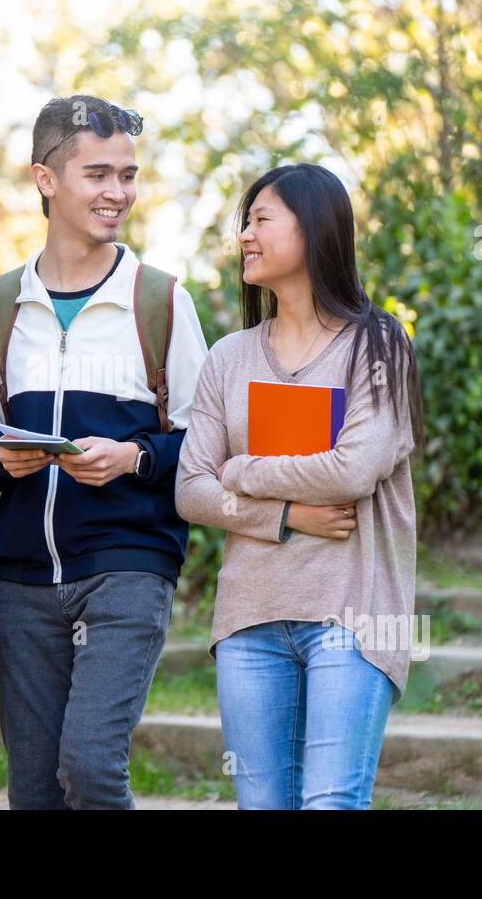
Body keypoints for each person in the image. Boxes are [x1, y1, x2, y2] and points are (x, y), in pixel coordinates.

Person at [0, 94, 209, 808]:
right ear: (46, 179)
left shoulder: (160, 300)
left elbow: (201, 442)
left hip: (131, 562)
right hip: (21, 575)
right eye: (98, 174)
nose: (119, 192)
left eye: (128, 175)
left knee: (94, 767)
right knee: (33, 790)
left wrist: (133, 459)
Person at [175, 162, 424, 809]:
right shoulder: (229, 358)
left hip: (351, 614)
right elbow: (191, 489)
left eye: (262, 219)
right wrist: (287, 514)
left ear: (313, 230)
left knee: (330, 803)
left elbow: (354, 468)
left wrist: (244, 470)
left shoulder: (377, 344)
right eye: (244, 223)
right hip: (249, 619)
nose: (246, 236)